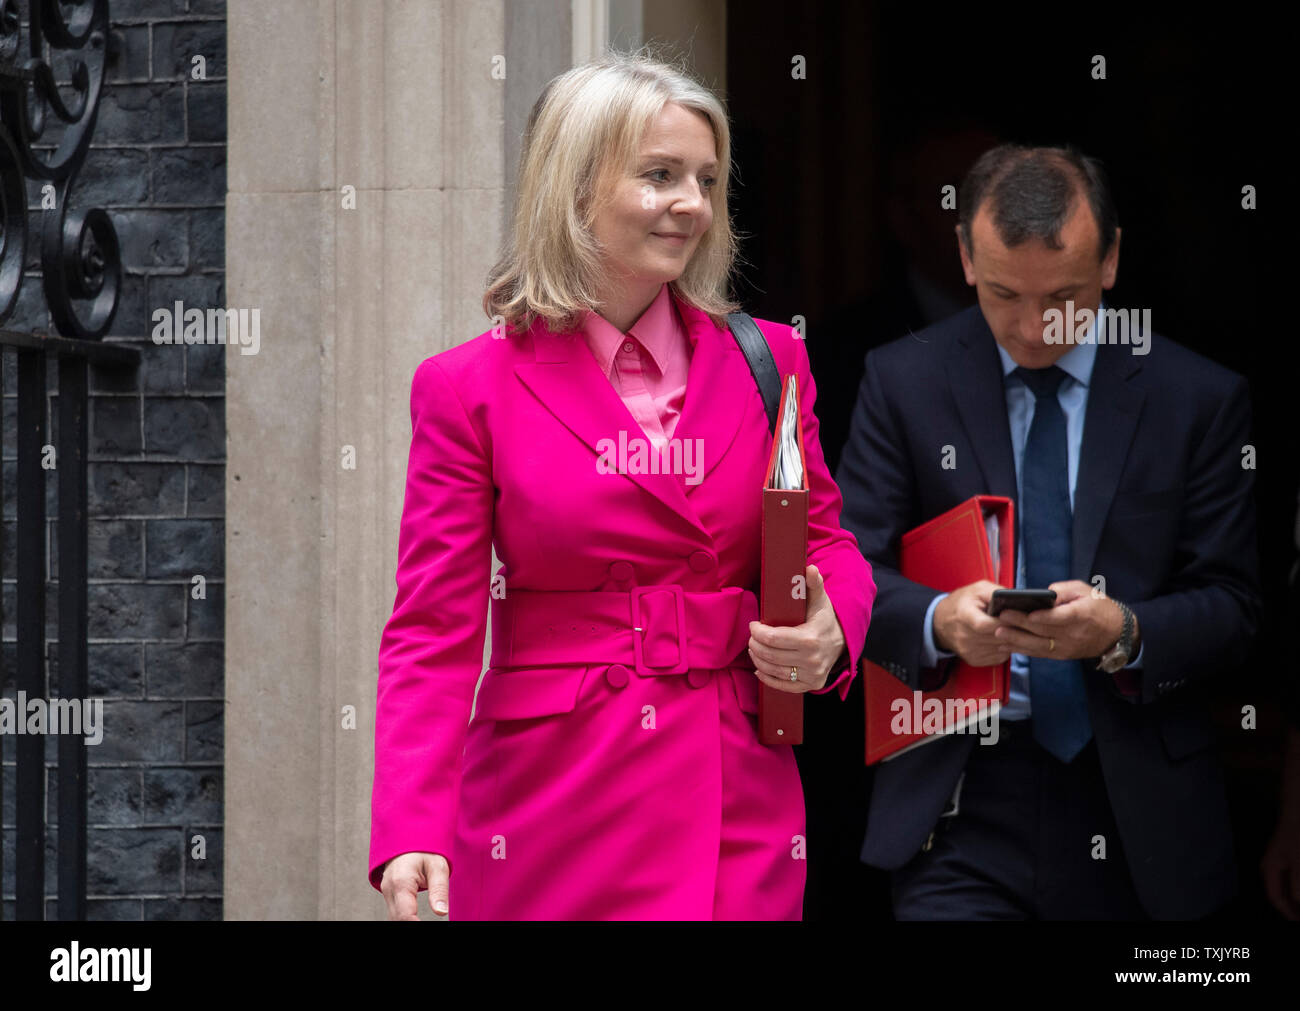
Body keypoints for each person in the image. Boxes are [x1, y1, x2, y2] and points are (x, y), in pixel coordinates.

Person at [367, 50, 875, 921]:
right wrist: (411, 825)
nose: (693, 204)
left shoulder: (771, 360)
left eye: (707, 180)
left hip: (735, 786)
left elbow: (825, 537)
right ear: (575, 187)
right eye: (660, 175)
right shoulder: (466, 387)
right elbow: (433, 628)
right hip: (546, 799)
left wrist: (837, 621)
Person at [836, 143, 1260, 919]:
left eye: (1063, 296)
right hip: (958, 793)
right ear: (964, 257)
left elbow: (1235, 607)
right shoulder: (904, 380)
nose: (1034, 329)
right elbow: (847, 570)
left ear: (1112, 260)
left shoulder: (1195, 397)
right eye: (1004, 296)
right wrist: (938, 621)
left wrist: (1123, 629)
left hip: (1139, 799)